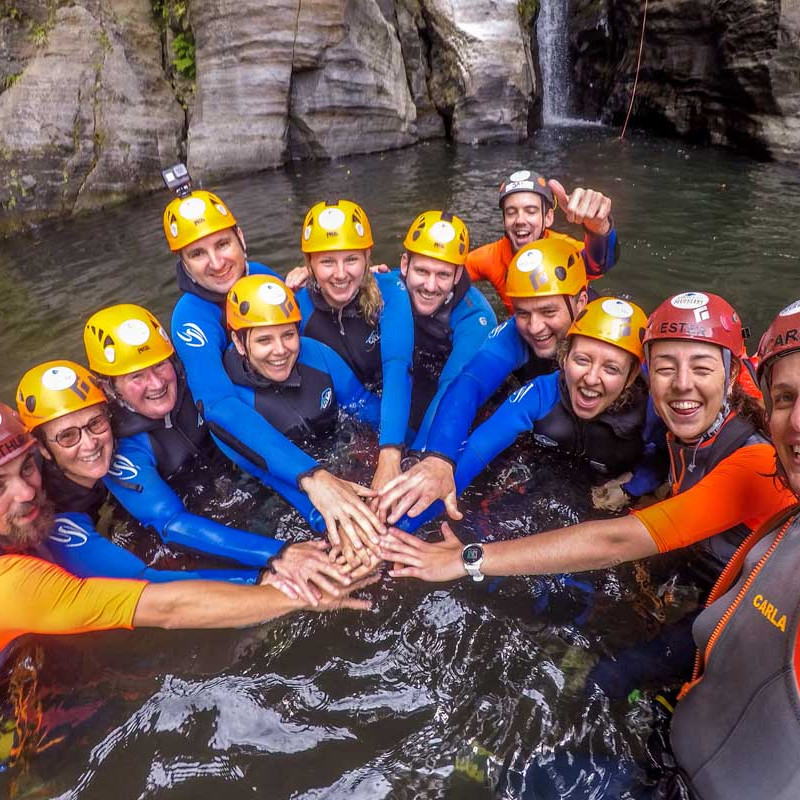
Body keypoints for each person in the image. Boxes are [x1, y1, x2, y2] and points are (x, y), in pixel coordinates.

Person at [0, 401, 375, 659]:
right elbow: (162, 604)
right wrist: (292, 589)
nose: (27, 491)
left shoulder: (45, 487)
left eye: (26, 469)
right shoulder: (15, 583)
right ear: (48, 448)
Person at [162, 168, 386, 562]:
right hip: (241, 439)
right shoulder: (191, 319)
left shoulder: (264, 276)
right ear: (183, 262)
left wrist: (358, 280)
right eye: (198, 253)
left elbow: (297, 331)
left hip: (302, 410)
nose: (216, 263)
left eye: (223, 244)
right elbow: (219, 408)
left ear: (241, 239)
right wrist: (312, 478)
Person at [15, 359, 358, 602]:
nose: (89, 444)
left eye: (95, 426)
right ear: (43, 450)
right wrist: (268, 571)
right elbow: (144, 585)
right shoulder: (54, 521)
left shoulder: (126, 436)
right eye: (67, 438)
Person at [83, 304, 357, 603]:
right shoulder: (117, 446)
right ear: (110, 388)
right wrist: (277, 555)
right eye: (136, 376)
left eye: (160, 365)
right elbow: (171, 524)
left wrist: (325, 518)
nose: (157, 383)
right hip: (181, 527)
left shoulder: (200, 385)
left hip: (235, 483)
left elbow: (252, 453)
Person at [392, 297, 653, 532]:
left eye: (611, 369)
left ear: (631, 377)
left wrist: (631, 487)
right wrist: (393, 531)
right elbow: (476, 451)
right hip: (544, 475)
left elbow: (665, 459)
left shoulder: (651, 412)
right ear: (564, 358)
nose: (592, 378)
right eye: (582, 360)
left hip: (607, 492)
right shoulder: (541, 394)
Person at [220, 274, 385, 565]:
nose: (281, 350)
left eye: (288, 334)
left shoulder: (316, 355)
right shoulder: (230, 400)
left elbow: (366, 408)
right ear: (239, 342)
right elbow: (259, 473)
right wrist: (329, 522)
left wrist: (401, 455)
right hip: (275, 492)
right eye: (264, 340)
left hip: (337, 454)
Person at [295, 199, 414, 493]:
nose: (340, 273)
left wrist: (390, 454)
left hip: (393, 405)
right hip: (342, 412)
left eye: (351, 259)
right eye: (326, 261)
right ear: (308, 264)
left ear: (367, 258)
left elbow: (398, 371)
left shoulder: (390, 291)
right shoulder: (296, 308)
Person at [398, 210, 496, 450]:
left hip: (451, 383)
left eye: (442, 274)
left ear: (458, 275)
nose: (430, 286)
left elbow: (452, 387)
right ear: (404, 265)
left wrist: (417, 457)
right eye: (422, 271)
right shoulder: (389, 287)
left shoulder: (475, 317)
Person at [465, 170, 618, 314]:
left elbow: (598, 264)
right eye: (511, 213)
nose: (520, 220)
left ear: (548, 218)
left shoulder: (564, 248)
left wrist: (598, 227)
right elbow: (450, 271)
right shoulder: (490, 257)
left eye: (531, 211)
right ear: (504, 220)